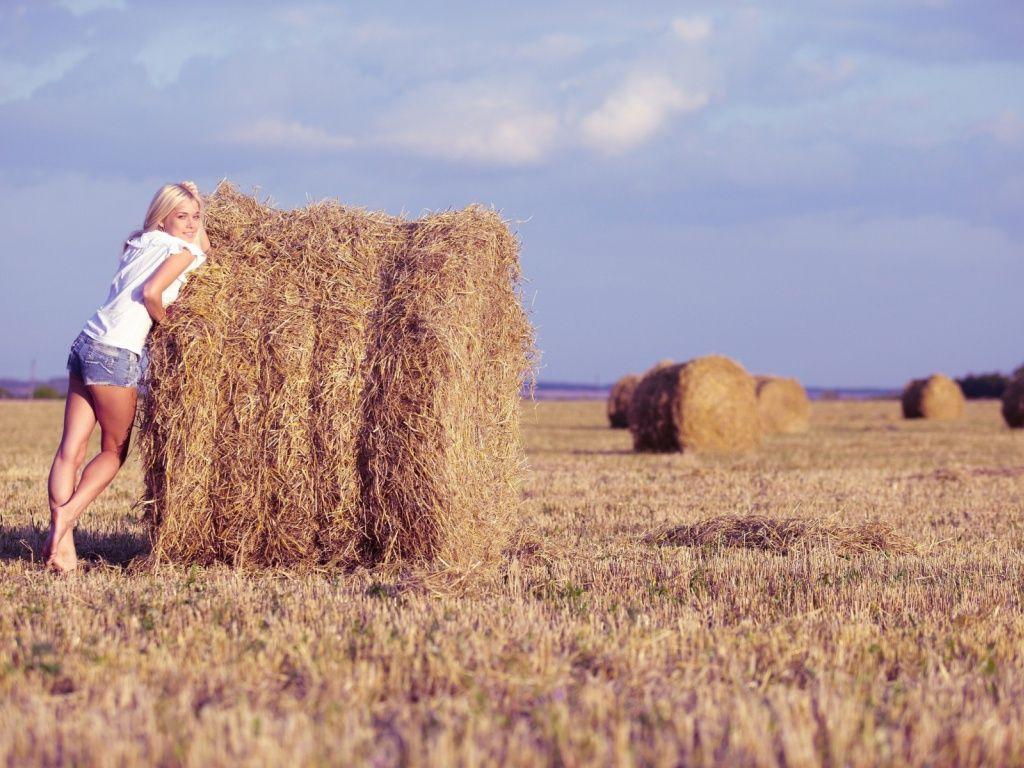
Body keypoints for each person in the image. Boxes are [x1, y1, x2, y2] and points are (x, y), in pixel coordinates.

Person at [43, 181, 211, 572]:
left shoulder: (141, 241)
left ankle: (63, 550)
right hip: (116, 353)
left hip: (85, 343)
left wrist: (193, 201)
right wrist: (165, 327)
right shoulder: (182, 251)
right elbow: (156, 290)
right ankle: (66, 519)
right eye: (181, 216)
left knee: (71, 449)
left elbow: (185, 239)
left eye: (194, 217)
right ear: (164, 217)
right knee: (113, 451)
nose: (190, 224)